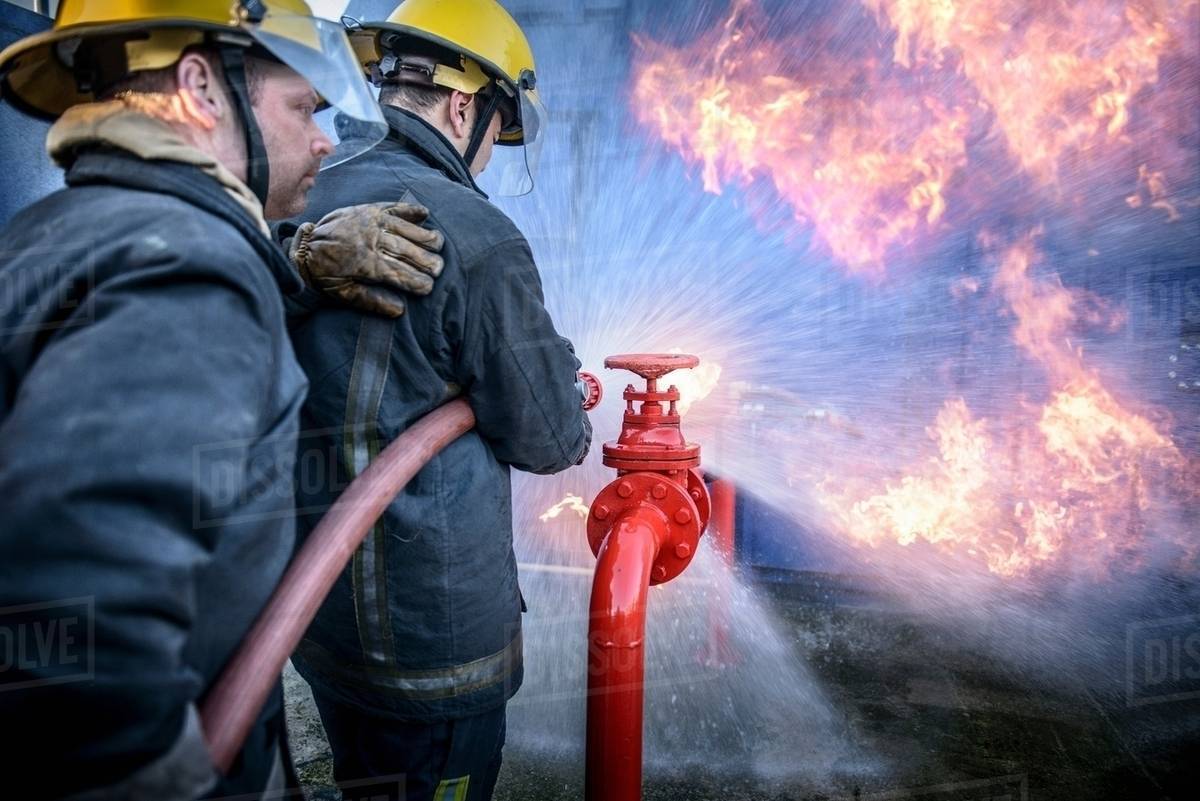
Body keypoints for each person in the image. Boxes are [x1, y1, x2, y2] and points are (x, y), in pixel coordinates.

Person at [0, 1, 441, 797]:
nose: (325, 139)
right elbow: (78, 621)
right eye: (304, 106)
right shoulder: (189, 273)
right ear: (202, 86)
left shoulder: (53, 232)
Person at [280, 1, 592, 798]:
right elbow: (551, 437)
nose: (488, 158)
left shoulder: (298, 204)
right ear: (464, 106)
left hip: (318, 620)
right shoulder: (477, 235)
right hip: (433, 648)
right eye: (495, 133)